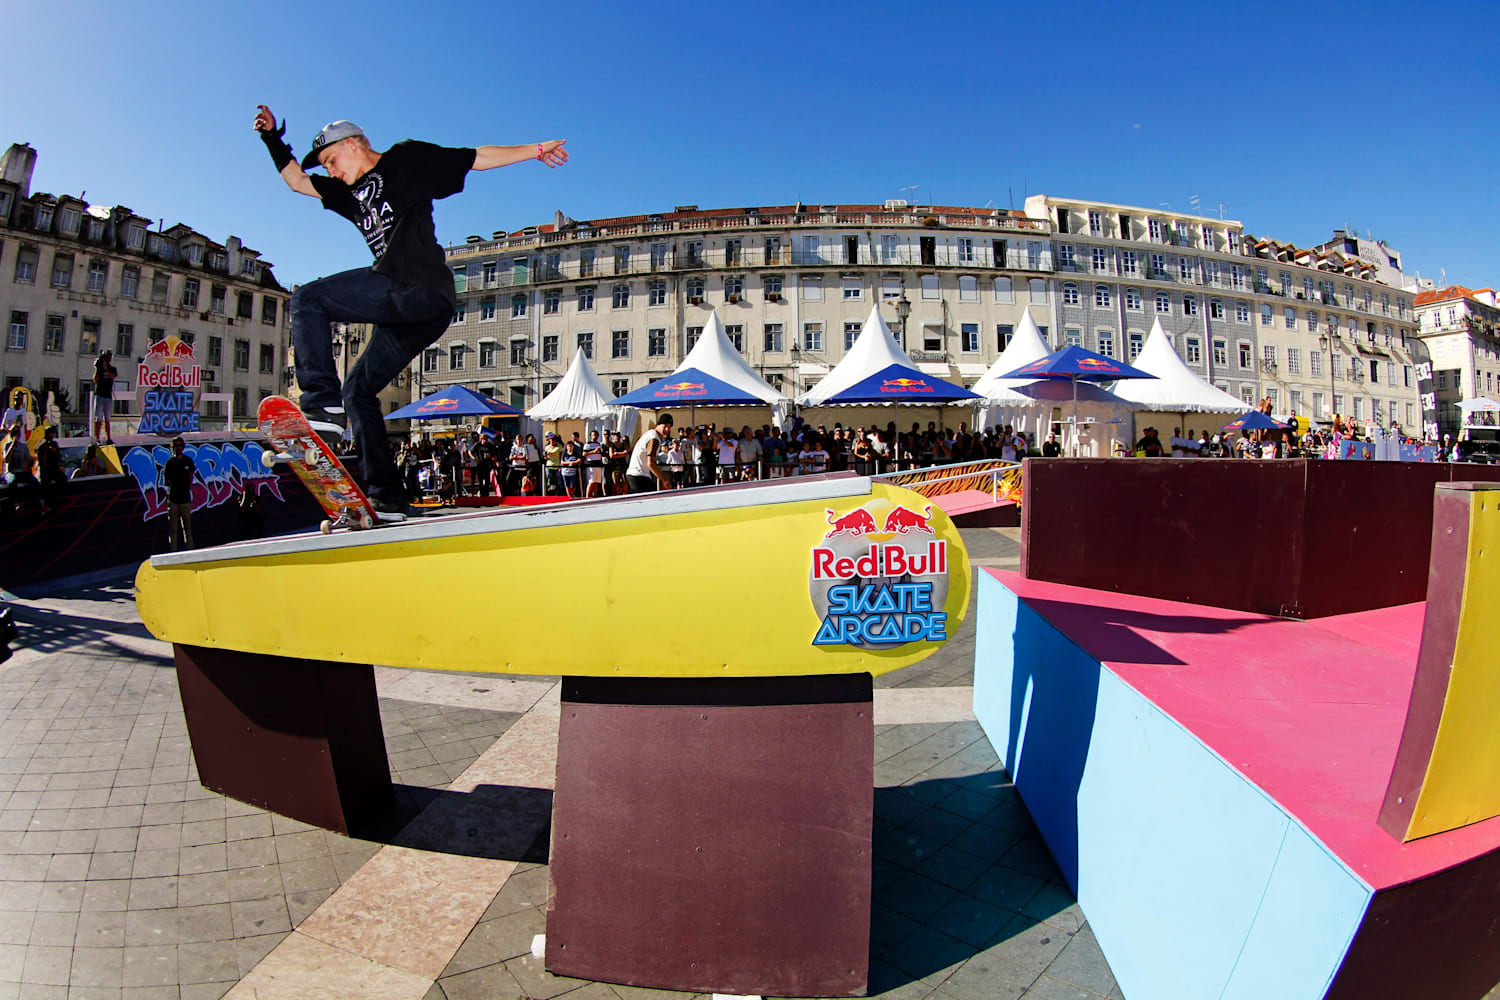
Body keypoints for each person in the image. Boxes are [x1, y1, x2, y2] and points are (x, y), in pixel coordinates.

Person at [252, 105, 567, 519]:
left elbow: (475, 157)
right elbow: (296, 181)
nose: (331, 172)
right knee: (359, 390)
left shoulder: (406, 159)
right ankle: (387, 496)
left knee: (308, 298)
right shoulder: (344, 193)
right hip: (416, 313)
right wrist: (272, 138)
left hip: (417, 286)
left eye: (332, 161)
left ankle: (320, 406)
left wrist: (536, 149)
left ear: (353, 144)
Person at [163, 436, 196, 551]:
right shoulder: (170, 463)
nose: (177, 448)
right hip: (173, 500)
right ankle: (173, 551)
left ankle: (190, 550)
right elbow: (166, 480)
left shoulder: (188, 461)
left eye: (179, 446)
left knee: (187, 527)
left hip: (185, 499)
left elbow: (191, 476)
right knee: (173, 528)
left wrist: (185, 487)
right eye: (175, 446)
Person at [627, 413, 673, 493]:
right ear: (658, 424)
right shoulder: (654, 438)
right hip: (639, 476)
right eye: (664, 426)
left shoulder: (649, 434)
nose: (666, 429)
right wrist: (664, 480)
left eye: (669, 427)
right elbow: (651, 463)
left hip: (637, 474)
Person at [35, 426, 64, 514]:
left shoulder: (55, 444)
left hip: (54, 469)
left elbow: (59, 458)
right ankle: (48, 504)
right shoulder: (42, 447)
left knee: (63, 479)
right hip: (46, 471)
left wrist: (54, 451)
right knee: (46, 486)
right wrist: (47, 451)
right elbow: (42, 463)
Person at [91, 350, 117, 444]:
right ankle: (97, 438)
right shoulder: (100, 369)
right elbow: (96, 379)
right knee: (98, 418)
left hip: (108, 396)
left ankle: (109, 437)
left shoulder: (112, 368)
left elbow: (112, 376)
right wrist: (98, 368)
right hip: (100, 395)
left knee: (107, 419)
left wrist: (106, 369)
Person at [582, 430, 605, 498]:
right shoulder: (587, 444)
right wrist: (594, 451)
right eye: (593, 435)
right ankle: (587, 496)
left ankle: (594, 496)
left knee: (596, 481)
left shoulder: (599, 444)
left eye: (596, 435)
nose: (594, 437)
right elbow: (584, 454)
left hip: (598, 463)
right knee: (591, 481)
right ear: (591, 436)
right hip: (591, 464)